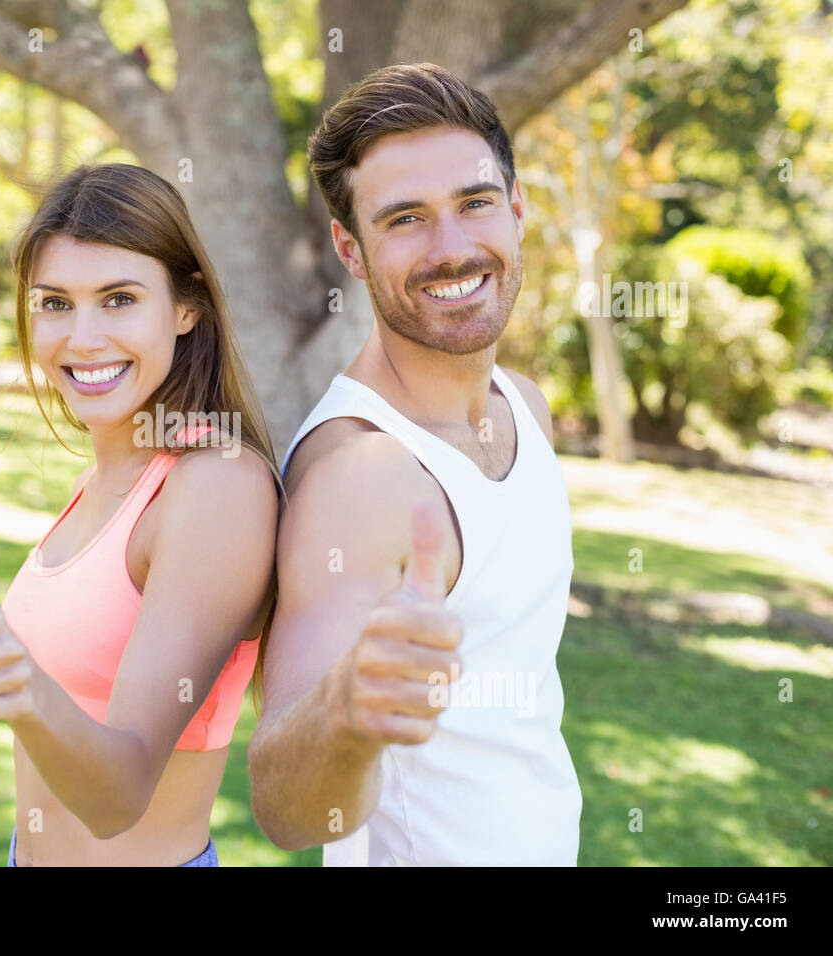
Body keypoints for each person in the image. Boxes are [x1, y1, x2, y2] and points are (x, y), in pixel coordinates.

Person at [247, 62, 583, 866]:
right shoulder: (361, 474)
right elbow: (288, 811)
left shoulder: (524, 408)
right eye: (406, 220)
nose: (454, 247)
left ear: (517, 210)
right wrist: (349, 705)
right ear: (350, 249)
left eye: (475, 203)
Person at [0, 163, 281, 866]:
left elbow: (120, 797)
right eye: (54, 303)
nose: (82, 337)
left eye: (118, 299)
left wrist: (22, 687)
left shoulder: (217, 488)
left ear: (187, 308)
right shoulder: (108, 477)